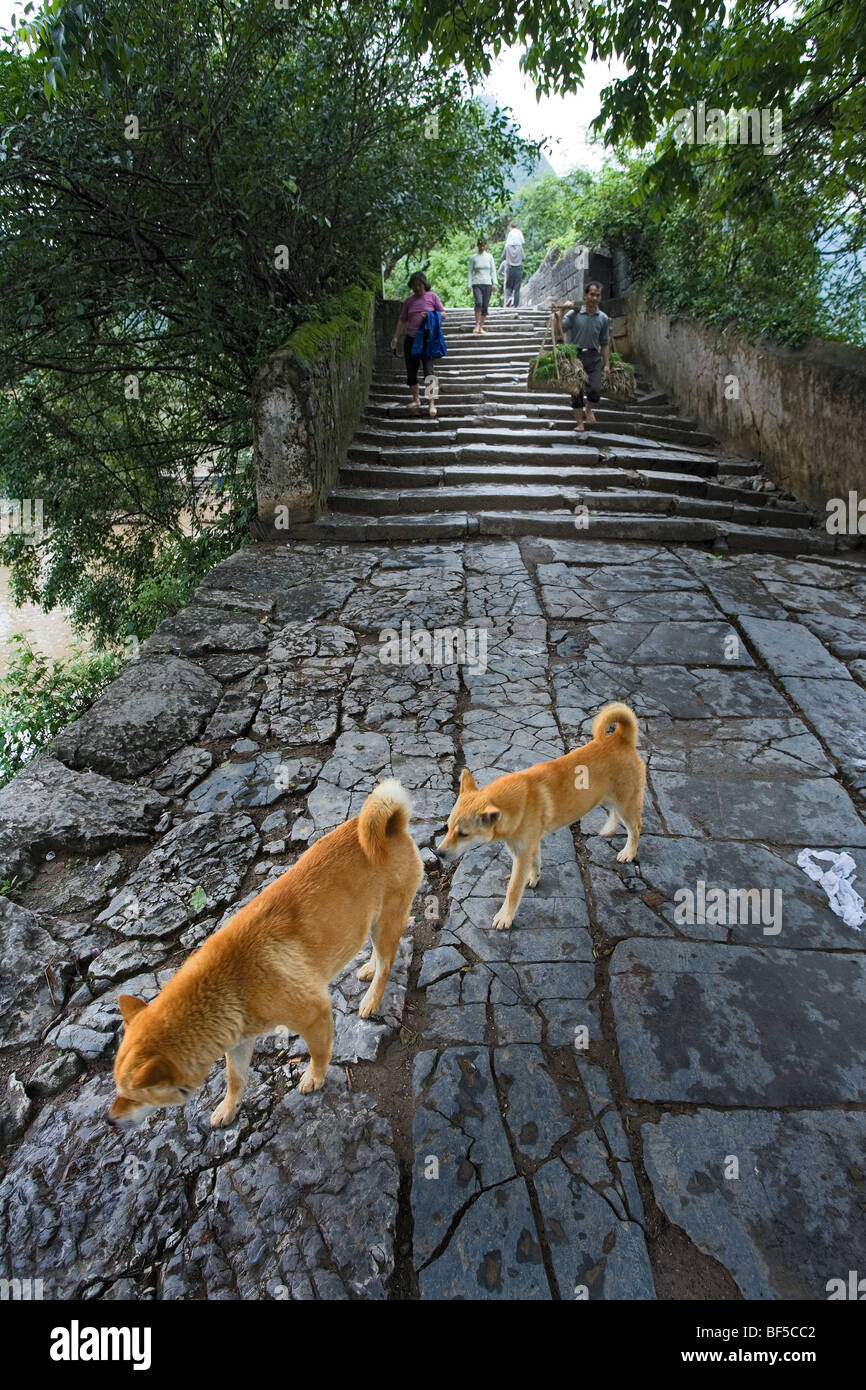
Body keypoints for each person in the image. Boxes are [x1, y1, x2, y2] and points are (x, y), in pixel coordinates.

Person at [556, 280, 611, 433]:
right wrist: (561, 312)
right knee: (576, 391)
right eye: (592, 294)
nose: (594, 298)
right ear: (585, 295)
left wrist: (606, 364)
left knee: (595, 388)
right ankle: (580, 423)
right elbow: (558, 330)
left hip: (593, 356)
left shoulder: (603, 318)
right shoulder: (574, 313)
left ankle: (589, 409)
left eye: (598, 295)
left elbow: (605, 343)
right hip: (575, 356)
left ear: (600, 297)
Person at [391, 272, 445, 416]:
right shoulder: (408, 301)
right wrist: (395, 338)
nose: (416, 288)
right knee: (411, 371)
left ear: (424, 284)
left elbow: (443, 314)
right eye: (414, 285)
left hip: (427, 340)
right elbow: (402, 320)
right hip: (411, 339)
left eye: (419, 285)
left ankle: (431, 403)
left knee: (429, 371)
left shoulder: (432, 297)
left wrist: (431, 315)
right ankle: (416, 399)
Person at [467, 237, 497, 334]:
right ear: (478, 245)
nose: (482, 247)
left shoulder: (489, 257)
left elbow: (493, 271)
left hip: (487, 283)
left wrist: (495, 283)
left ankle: (481, 326)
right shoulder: (473, 258)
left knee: (485, 305)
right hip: (477, 283)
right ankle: (476, 325)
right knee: (478, 303)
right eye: (480, 245)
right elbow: (470, 272)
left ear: (485, 245)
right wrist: (468, 285)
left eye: (484, 245)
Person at [499, 223, 525, 307]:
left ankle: (509, 298)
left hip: (509, 268)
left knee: (508, 287)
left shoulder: (507, 247)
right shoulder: (520, 248)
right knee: (517, 289)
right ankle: (516, 305)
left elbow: (502, 257)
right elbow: (524, 258)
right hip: (518, 269)